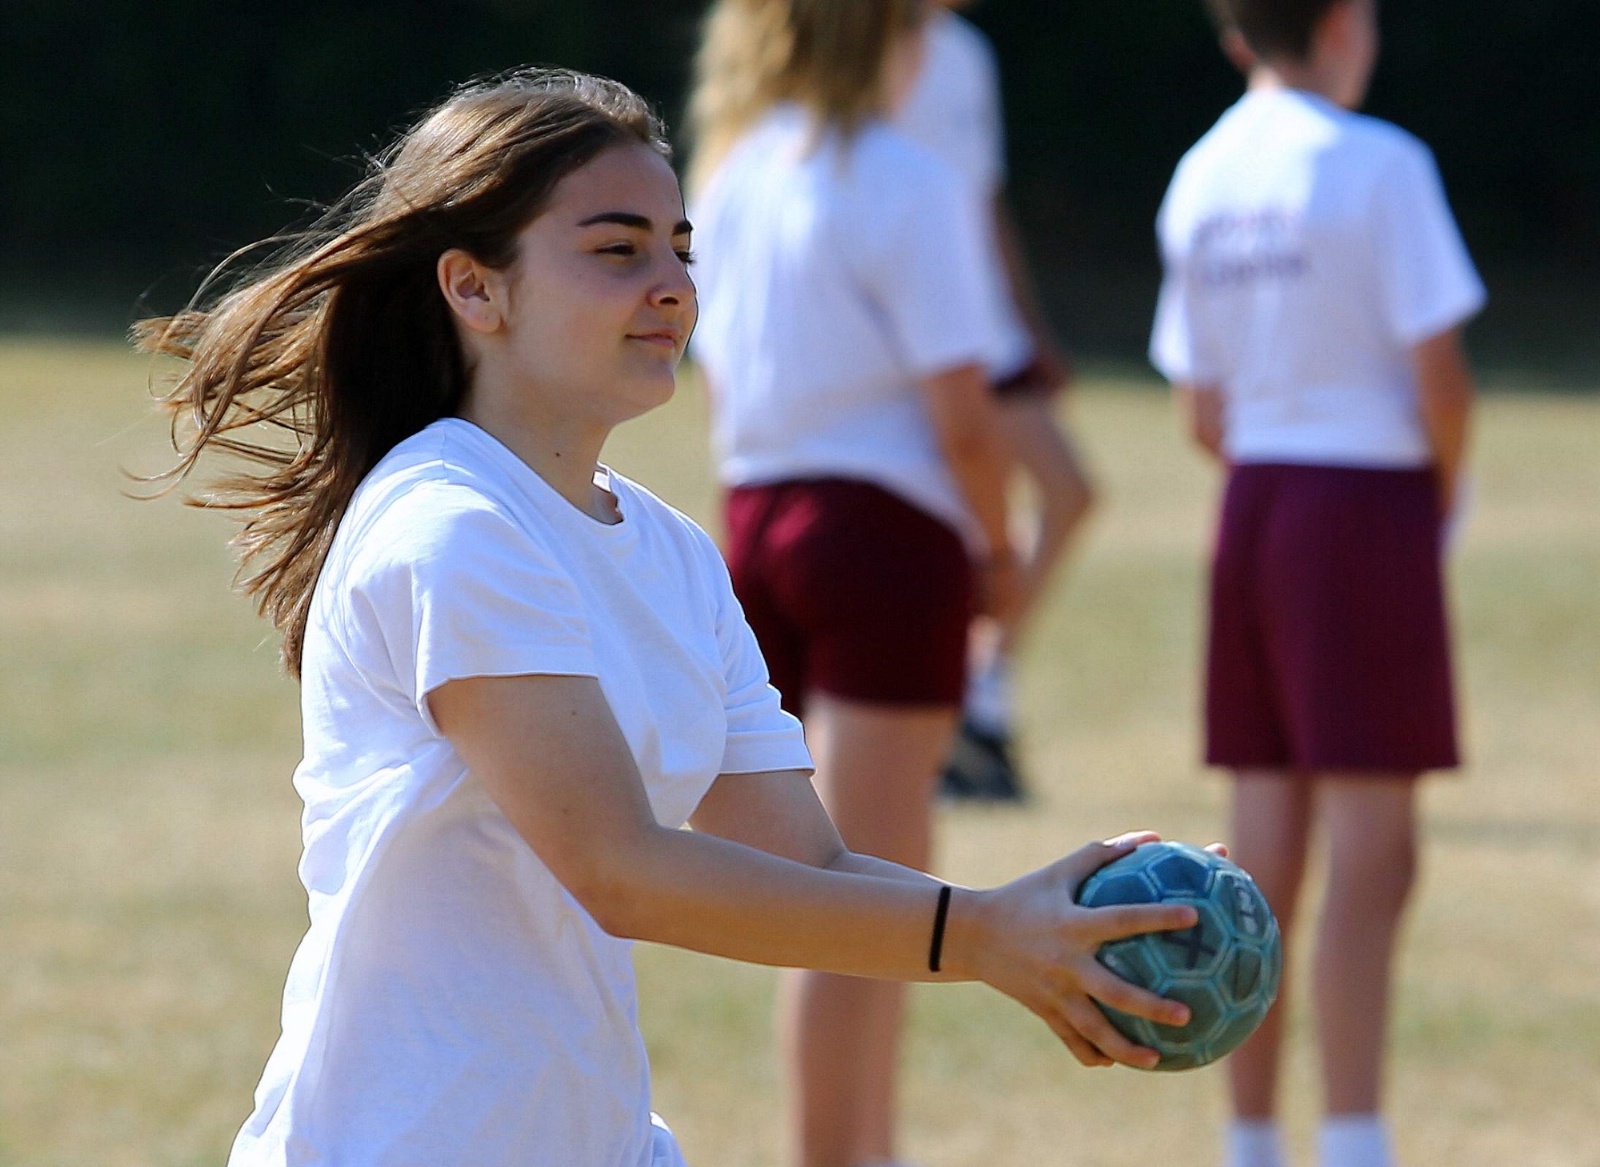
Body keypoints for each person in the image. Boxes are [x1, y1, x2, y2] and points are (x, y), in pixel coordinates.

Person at [134, 67, 1202, 1167]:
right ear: (474, 288)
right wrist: (974, 939)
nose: (672, 287)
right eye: (616, 250)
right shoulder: (448, 525)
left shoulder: (673, 553)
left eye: (680, 249)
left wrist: (1023, 919)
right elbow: (621, 869)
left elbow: (813, 861)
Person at [1149, 3, 1484, 1166]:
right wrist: (1439, 497)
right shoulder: (1381, 163)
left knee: (1263, 843)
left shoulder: (1199, 171)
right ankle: (1354, 1139)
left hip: (1253, 500)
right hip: (1362, 502)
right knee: (1375, 849)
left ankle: (1252, 1139)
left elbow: (1200, 406)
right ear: (1344, 21)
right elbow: (1439, 376)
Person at [897, 0, 1096, 803]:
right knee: (940, 525)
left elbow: (982, 199)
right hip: (909, 330)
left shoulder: (964, 53)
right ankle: (952, 720)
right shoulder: (860, 47)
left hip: (981, 328)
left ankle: (978, 689)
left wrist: (1027, 319)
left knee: (1070, 493)